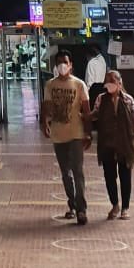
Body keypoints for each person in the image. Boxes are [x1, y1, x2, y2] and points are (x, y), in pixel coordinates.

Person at [92, 70, 134, 219]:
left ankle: (125, 208)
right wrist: (83, 117)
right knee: (109, 176)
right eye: (107, 81)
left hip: (125, 143)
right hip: (107, 143)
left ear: (120, 83)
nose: (109, 84)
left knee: (125, 175)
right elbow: (95, 114)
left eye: (113, 81)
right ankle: (114, 205)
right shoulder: (101, 99)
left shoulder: (128, 100)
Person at [42, 49, 92, 226]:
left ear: (71, 65)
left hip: (76, 134)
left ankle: (81, 209)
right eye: (59, 63)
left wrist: (88, 132)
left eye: (65, 62)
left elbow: (86, 111)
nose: (62, 65)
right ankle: (71, 204)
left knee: (78, 171)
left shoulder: (79, 85)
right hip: (58, 135)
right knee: (66, 173)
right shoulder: (50, 85)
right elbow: (46, 106)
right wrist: (44, 123)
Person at [85, 45, 108, 109]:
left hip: (93, 91)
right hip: (102, 90)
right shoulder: (103, 61)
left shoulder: (91, 63)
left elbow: (90, 81)